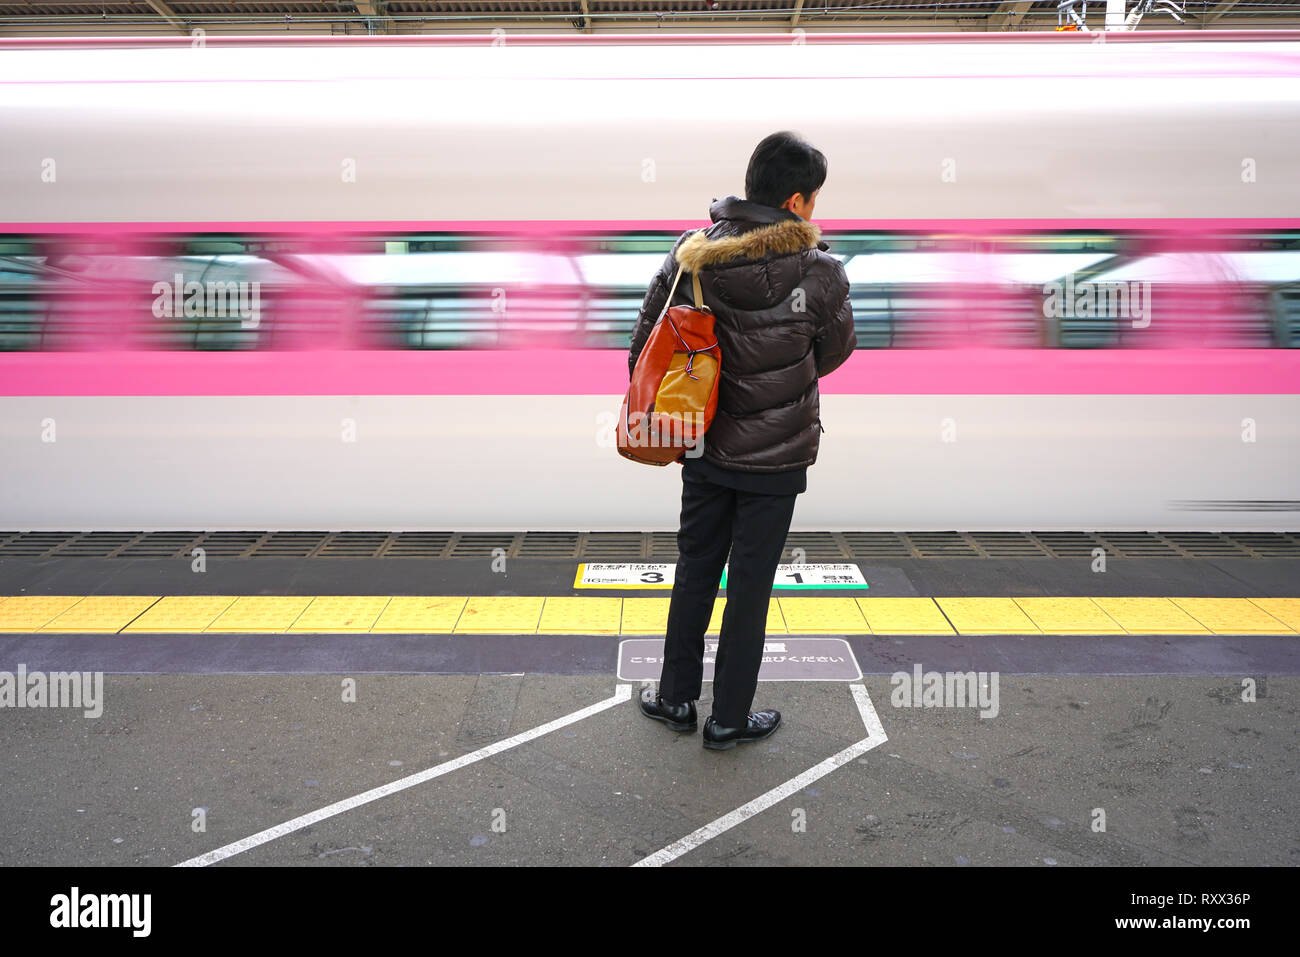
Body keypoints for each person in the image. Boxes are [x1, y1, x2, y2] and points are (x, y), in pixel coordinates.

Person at [628, 131, 857, 750]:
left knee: (696, 570)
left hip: (700, 442)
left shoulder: (693, 254)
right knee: (751, 587)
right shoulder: (822, 272)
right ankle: (728, 718)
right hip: (776, 459)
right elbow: (832, 355)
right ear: (798, 201)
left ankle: (675, 699)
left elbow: (646, 340)